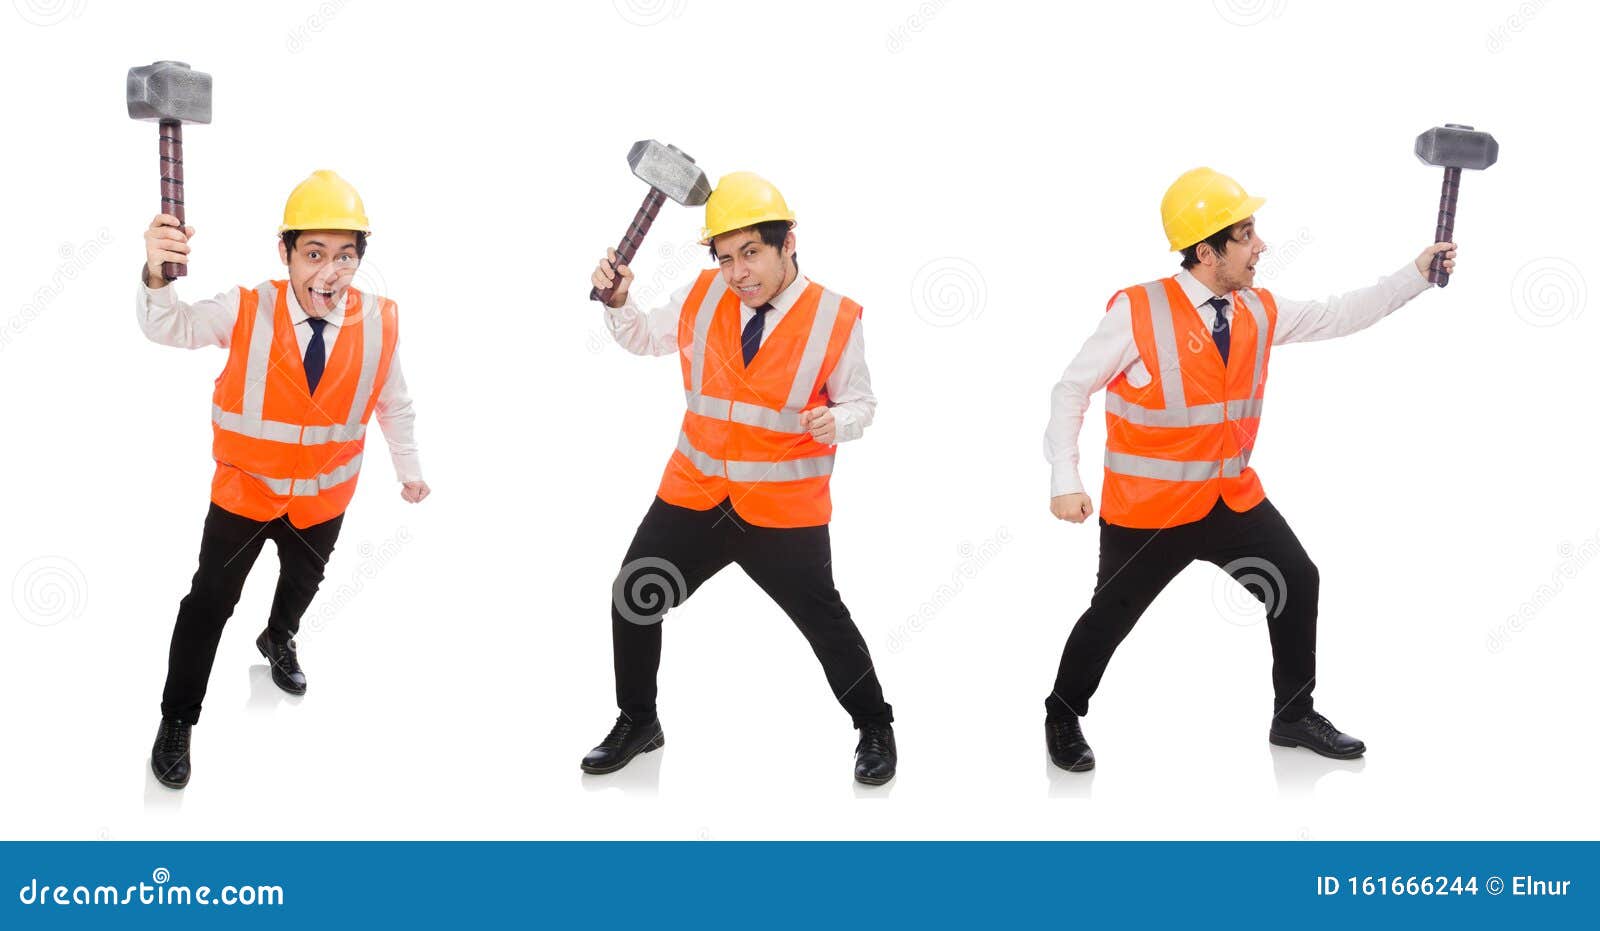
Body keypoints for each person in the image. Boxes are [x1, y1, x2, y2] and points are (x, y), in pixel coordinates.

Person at [1042, 166, 1456, 770]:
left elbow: (1340, 314)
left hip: (1230, 501)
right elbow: (1069, 391)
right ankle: (1062, 714)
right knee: (1110, 616)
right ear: (1207, 251)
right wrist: (1064, 479)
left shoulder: (1257, 309)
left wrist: (1415, 275)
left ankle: (1292, 715)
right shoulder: (1139, 311)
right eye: (1247, 234)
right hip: (1149, 513)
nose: (1261, 245)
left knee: (1296, 581)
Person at [583, 171, 897, 785]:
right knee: (634, 598)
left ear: (788, 244)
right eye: (726, 258)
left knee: (825, 623)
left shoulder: (836, 316)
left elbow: (862, 402)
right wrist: (620, 305)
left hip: (782, 510)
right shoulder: (703, 296)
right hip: (694, 495)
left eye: (751, 252)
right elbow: (647, 338)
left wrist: (838, 421)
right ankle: (638, 721)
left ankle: (875, 727)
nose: (738, 273)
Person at [138, 170, 430, 789]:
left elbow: (393, 402)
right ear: (286, 253)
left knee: (304, 583)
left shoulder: (380, 322)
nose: (329, 272)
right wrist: (158, 277)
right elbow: (169, 327)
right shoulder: (246, 309)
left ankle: (279, 638)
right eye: (314, 254)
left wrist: (410, 472)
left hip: (324, 498)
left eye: (345, 256)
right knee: (209, 605)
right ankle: (175, 721)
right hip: (245, 496)